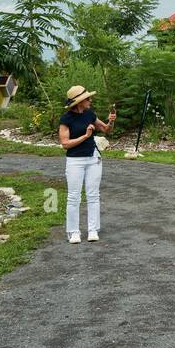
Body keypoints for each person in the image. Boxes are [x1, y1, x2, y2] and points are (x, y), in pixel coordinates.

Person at [58, 85, 116, 243]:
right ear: (79, 102)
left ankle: (92, 230)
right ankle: (73, 232)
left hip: (93, 158)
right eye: (88, 98)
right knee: (73, 197)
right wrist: (85, 136)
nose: (91, 100)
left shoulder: (90, 114)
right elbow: (65, 144)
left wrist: (110, 122)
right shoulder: (66, 119)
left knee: (93, 195)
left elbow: (105, 130)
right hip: (75, 161)